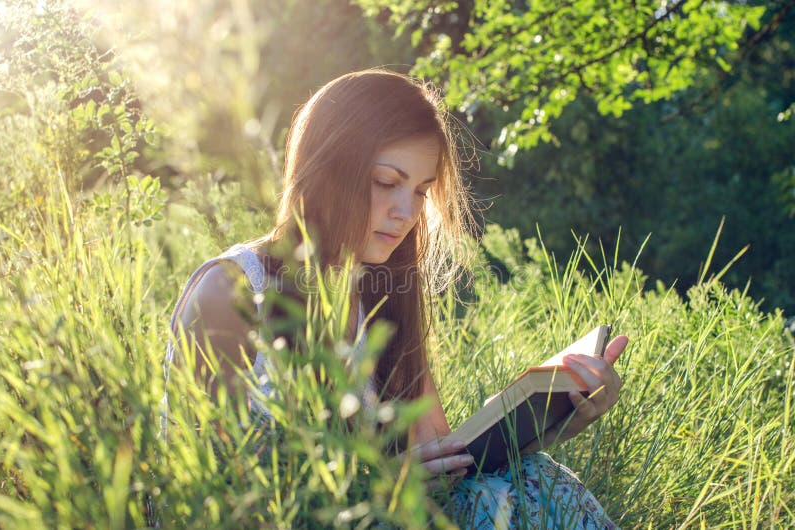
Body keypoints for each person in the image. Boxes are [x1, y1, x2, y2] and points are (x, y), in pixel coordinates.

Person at [163, 68, 628, 528]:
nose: (406, 213)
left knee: (537, 481)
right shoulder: (234, 292)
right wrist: (380, 492)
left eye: (421, 192)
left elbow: (449, 467)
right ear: (327, 168)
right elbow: (197, 499)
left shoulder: (384, 293)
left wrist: (556, 421)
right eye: (387, 182)